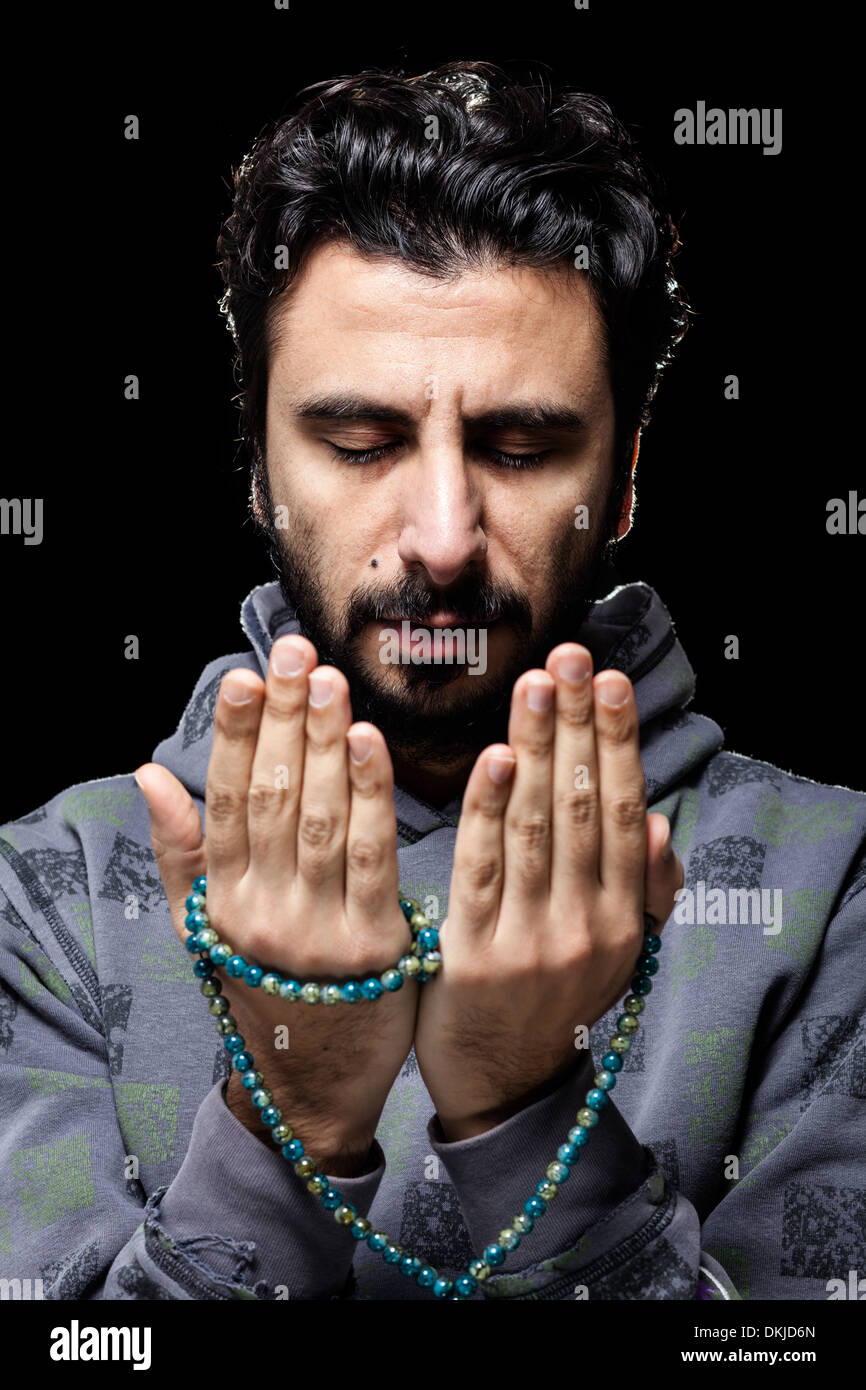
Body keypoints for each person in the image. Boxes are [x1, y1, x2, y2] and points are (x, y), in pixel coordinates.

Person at [1, 62, 862, 1304]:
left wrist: (526, 1109)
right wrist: (281, 1115)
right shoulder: (50, 894)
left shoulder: (831, 885)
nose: (444, 535)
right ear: (258, 471)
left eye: (521, 447)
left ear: (623, 479)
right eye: (361, 443)